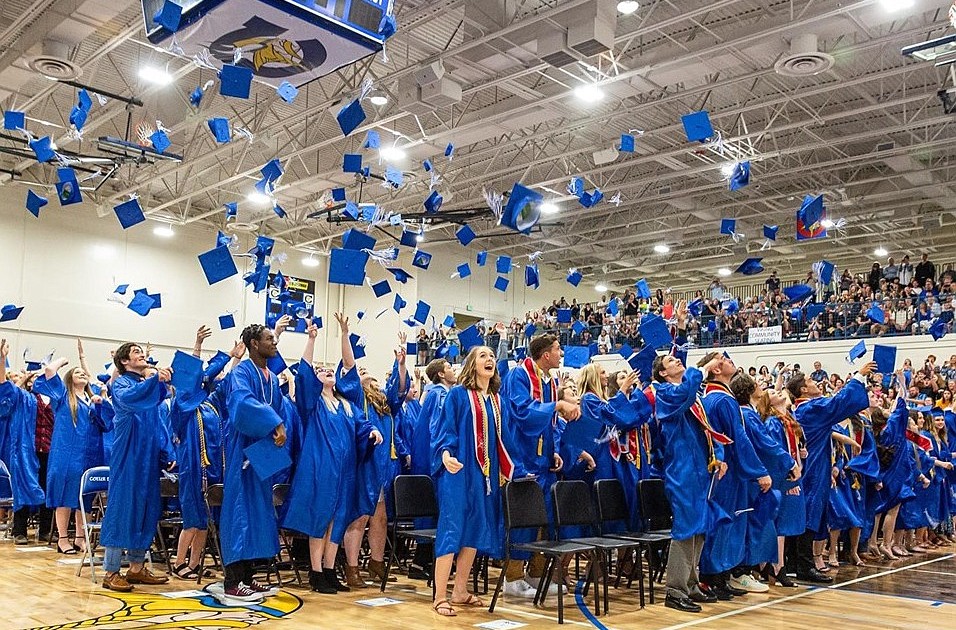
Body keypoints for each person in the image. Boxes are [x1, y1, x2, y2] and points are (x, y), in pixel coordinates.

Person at [284, 317, 381, 594]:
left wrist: (373, 431)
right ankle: (316, 572)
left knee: (338, 521)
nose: (327, 371)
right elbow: (303, 375)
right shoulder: (312, 405)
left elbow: (362, 422)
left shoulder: (346, 405)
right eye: (321, 370)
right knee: (320, 518)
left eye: (330, 369)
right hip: (320, 469)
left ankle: (329, 569)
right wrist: (311, 339)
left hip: (345, 472)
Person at [431, 346, 524, 617]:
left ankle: (459, 591)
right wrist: (445, 454)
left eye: (492, 356)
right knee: (452, 529)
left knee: (475, 529)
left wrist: (514, 468)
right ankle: (439, 596)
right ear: (471, 364)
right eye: (483, 355)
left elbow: (506, 440)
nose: (490, 359)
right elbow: (445, 429)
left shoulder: (497, 400)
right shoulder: (458, 395)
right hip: (459, 470)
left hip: (486, 475)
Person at [499, 334, 581, 596]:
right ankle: (512, 578)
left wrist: (553, 451)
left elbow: (549, 423)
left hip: (542, 459)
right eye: (558, 349)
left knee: (544, 518)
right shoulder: (519, 375)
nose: (561, 354)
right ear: (546, 354)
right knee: (523, 517)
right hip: (522, 457)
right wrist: (557, 405)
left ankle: (535, 574)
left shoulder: (549, 381)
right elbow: (522, 412)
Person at [786, 360, 875, 582]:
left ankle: (796, 563)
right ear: (803, 389)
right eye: (810, 380)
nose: (815, 382)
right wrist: (858, 376)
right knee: (809, 514)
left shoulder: (805, 409)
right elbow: (838, 403)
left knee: (808, 514)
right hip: (813, 468)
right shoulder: (810, 409)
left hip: (815, 464)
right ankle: (804, 565)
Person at [220, 324, 290, 604]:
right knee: (239, 510)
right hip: (243, 448)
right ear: (253, 344)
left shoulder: (271, 377)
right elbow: (242, 403)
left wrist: (278, 428)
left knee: (258, 512)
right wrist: (274, 423)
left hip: (263, 449)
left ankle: (248, 576)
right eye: (269, 338)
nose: (274, 342)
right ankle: (232, 580)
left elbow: (280, 408)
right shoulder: (242, 373)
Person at [652, 352, 727, 613]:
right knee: (685, 528)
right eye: (670, 361)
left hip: (701, 469)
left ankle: (691, 583)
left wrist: (718, 456)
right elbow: (684, 392)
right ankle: (675, 590)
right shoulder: (665, 393)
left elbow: (708, 430)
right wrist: (703, 368)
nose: (677, 361)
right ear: (663, 373)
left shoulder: (694, 397)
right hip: (681, 471)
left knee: (700, 527)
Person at [99, 342, 173, 592]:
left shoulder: (146, 385)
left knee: (146, 510)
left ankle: (136, 568)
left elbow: (158, 414)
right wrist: (154, 380)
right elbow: (132, 399)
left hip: (148, 457)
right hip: (129, 456)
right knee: (122, 509)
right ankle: (111, 571)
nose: (142, 355)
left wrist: (166, 451)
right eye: (136, 352)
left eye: (142, 352)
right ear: (124, 361)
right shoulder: (121, 384)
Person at [698, 353, 771, 598]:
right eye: (724, 360)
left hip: (723, 469)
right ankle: (713, 578)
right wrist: (759, 471)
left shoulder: (714, 396)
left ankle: (719, 576)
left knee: (723, 524)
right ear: (716, 370)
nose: (730, 360)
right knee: (722, 523)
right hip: (726, 471)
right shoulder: (722, 399)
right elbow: (739, 439)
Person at [340, 323, 406, 589]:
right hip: (363, 465)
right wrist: (345, 335)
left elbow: (398, 389)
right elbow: (349, 364)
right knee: (360, 516)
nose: (365, 371)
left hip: (383, 468)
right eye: (361, 371)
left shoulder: (383, 402)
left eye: (368, 370)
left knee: (380, 517)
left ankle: (376, 563)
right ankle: (352, 567)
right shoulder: (356, 398)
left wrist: (400, 363)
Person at [33, 352, 113, 556]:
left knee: (85, 497)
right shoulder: (62, 395)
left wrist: (101, 401)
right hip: (66, 453)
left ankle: (80, 537)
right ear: (69, 378)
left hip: (90, 454)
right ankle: (62, 539)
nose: (82, 374)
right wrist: (63, 361)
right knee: (64, 494)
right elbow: (50, 370)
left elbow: (107, 424)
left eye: (83, 373)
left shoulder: (92, 399)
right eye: (77, 373)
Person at [0, 340, 45, 545]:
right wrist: (2, 359)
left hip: (46, 447)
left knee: (45, 486)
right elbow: (5, 388)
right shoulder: (23, 397)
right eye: (32, 377)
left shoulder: (49, 398)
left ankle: (45, 531)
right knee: (23, 485)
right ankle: (20, 530)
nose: (35, 379)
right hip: (26, 447)